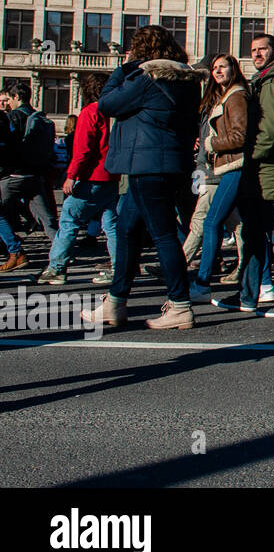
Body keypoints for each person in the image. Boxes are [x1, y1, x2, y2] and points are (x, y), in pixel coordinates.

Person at [82, 26, 205, 329]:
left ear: (140, 50)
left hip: (145, 165)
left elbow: (106, 103)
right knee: (126, 230)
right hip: (171, 163)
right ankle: (115, 302)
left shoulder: (145, 77)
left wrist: (123, 68)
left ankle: (180, 305)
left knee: (163, 236)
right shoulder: (187, 81)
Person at [214, 33, 274, 317]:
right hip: (265, 172)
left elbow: (273, 130)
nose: (256, 54)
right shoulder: (266, 80)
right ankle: (247, 295)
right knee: (254, 237)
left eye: (262, 49)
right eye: (253, 50)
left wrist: (250, 156)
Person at [193, 54, 269, 303]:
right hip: (233, 167)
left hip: (235, 167)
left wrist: (211, 143)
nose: (217, 71)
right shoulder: (229, 95)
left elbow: (239, 136)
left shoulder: (236, 96)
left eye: (222, 67)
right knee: (251, 228)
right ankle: (264, 284)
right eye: (214, 68)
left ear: (233, 69)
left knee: (212, 222)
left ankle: (203, 283)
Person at [37, 74, 118, 285]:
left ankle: (57, 268)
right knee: (111, 225)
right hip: (111, 176)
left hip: (90, 176)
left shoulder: (90, 112)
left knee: (69, 221)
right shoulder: (116, 114)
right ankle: (119, 267)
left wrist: (71, 176)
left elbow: (83, 150)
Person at [0, 82, 60, 271]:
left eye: (8, 99)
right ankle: (62, 252)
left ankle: (14, 250)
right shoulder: (39, 116)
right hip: (36, 174)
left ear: (16, 97)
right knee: (47, 218)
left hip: (14, 174)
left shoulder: (13, 117)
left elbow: (7, 146)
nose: (7, 103)